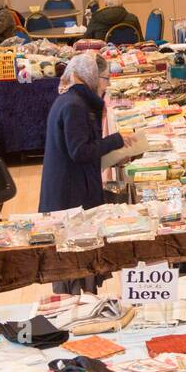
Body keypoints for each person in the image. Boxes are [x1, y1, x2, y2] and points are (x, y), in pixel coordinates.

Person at [39, 53, 127, 293]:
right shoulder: (75, 106)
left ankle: (84, 305)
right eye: (105, 79)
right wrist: (116, 141)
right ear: (92, 77)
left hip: (69, 190)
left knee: (78, 261)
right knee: (76, 262)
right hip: (71, 198)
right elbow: (80, 151)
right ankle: (81, 311)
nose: (107, 85)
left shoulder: (72, 100)